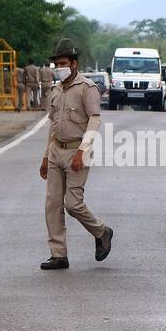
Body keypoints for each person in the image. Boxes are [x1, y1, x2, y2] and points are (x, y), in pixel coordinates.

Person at [39, 39, 113, 270]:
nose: (59, 67)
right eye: (56, 63)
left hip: (77, 151)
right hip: (55, 150)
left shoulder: (87, 87)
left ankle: (102, 231)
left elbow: (95, 119)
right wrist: (44, 156)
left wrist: (83, 150)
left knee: (72, 204)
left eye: (63, 63)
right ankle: (58, 254)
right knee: (52, 204)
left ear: (74, 64)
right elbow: (52, 126)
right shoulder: (56, 89)